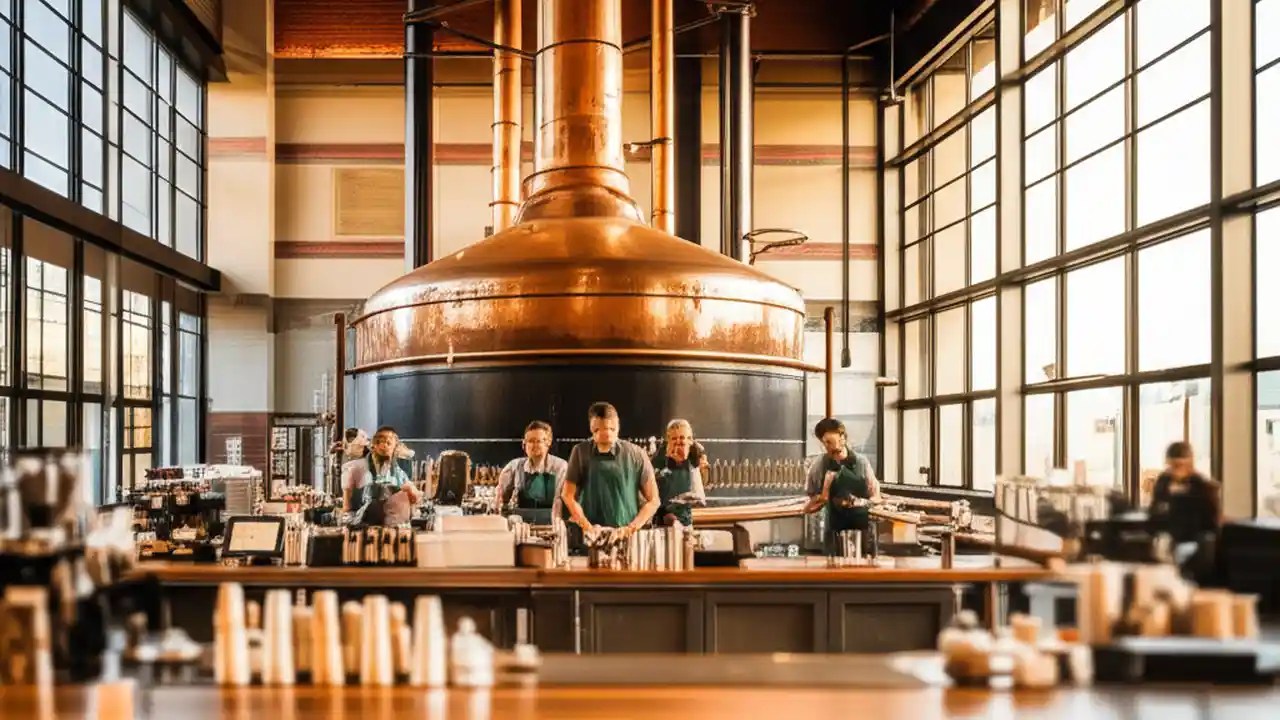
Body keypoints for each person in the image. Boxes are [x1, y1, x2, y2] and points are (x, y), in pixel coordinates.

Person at [561, 402, 660, 540]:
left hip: (627, 536)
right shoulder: (580, 452)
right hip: (590, 538)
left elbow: (654, 500)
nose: (607, 435)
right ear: (592, 429)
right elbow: (567, 495)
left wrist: (629, 529)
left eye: (611, 430)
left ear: (617, 427)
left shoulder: (636, 454)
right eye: (599, 431)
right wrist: (587, 527)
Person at [802, 417, 882, 554]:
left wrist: (860, 503)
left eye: (830, 441)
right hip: (834, 532)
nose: (828, 446)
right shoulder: (819, 465)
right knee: (834, 565)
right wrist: (824, 495)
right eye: (825, 443)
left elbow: (876, 497)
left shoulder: (862, 463)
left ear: (843, 438)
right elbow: (811, 497)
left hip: (863, 531)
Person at [1149, 442, 1221, 579]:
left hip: (1192, 538)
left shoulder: (1201, 485)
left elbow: (1210, 521)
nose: (1176, 470)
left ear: (1189, 464)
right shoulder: (1163, 482)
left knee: (1182, 554)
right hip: (1167, 535)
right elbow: (1154, 512)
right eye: (1173, 466)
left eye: (1180, 465)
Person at [341, 425, 422, 525]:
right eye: (379, 442)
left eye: (388, 443)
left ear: (395, 447)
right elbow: (348, 508)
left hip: (394, 522)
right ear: (373, 446)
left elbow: (414, 496)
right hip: (368, 520)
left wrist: (412, 493)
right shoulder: (356, 468)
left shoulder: (397, 471)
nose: (384, 446)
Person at [494, 420, 569, 517]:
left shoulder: (561, 467)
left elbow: (563, 501)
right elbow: (501, 499)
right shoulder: (514, 467)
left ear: (549, 442)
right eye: (530, 441)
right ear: (524, 444)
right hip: (521, 522)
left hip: (552, 520)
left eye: (538, 441)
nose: (534, 445)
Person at [651, 419, 707, 527]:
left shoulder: (693, 461)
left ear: (690, 440)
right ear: (668, 441)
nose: (678, 442)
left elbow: (699, 495)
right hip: (661, 524)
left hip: (686, 523)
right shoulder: (659, 461)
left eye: (681, 438)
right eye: (674, 439)